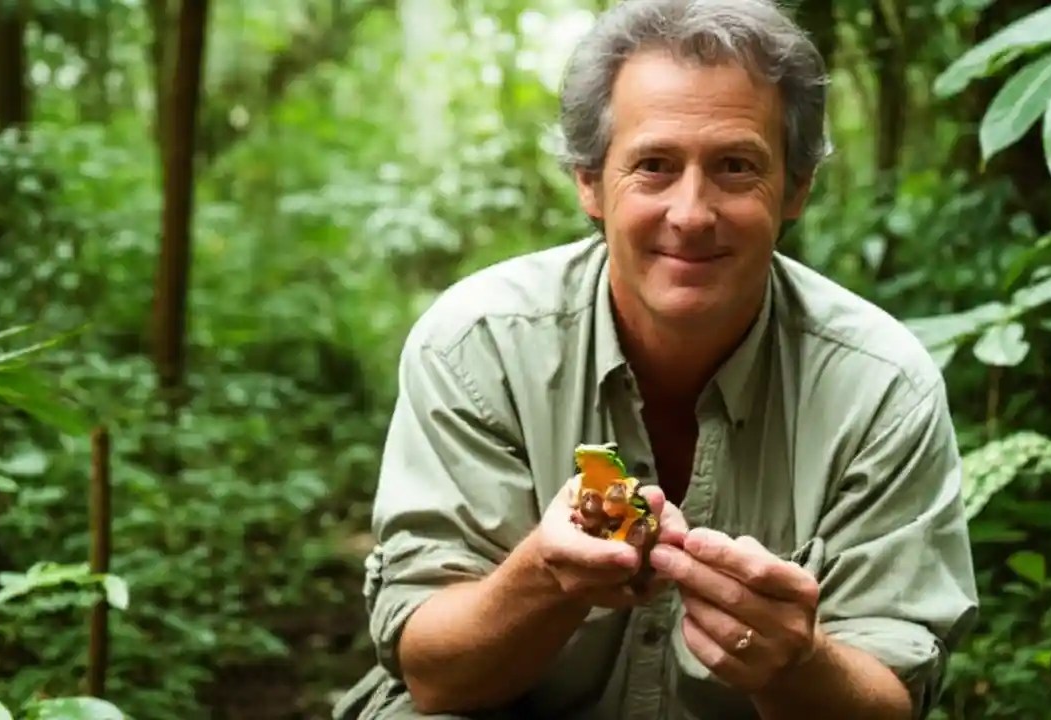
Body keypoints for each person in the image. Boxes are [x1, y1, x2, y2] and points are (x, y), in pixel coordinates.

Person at [333, 0, 979, 717]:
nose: (692, 212)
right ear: (589, 182)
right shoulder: (477, 346)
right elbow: (434, 676)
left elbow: (890, 702)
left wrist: (797, 662)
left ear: (796, 188)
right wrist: (544, 577)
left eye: (736, 167)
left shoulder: (882, 387)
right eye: (654, 166)